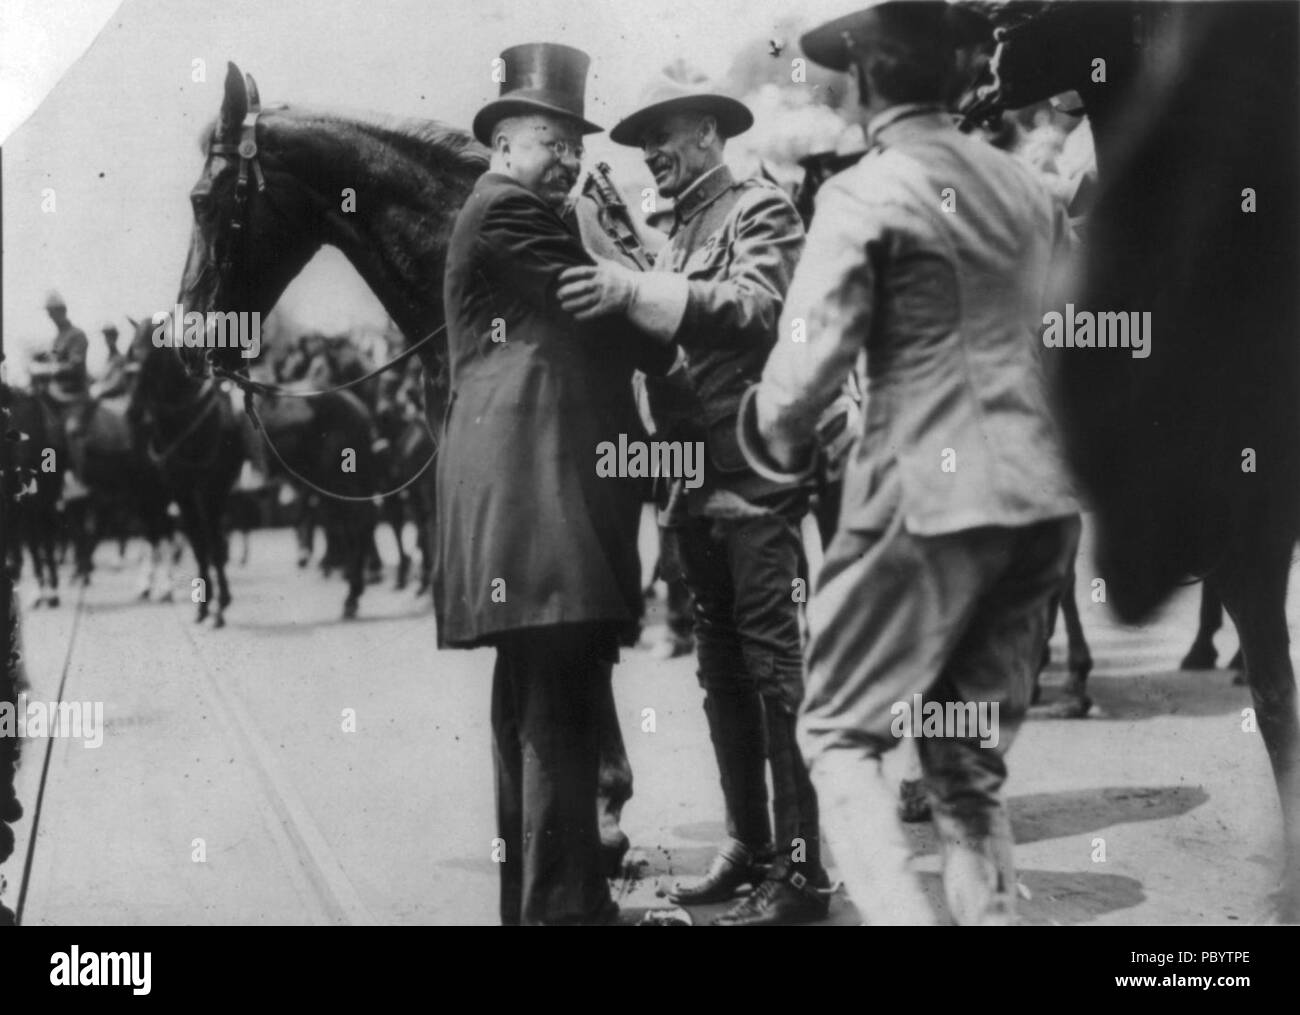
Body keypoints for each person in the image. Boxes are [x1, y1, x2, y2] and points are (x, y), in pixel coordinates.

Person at [738, 0, 1080, 925]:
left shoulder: (865, 192)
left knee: (839, 733)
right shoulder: (1027, 191)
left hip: (930, 494)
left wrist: (766, 434)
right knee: (963, 765)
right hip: (1041, 506)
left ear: (869, 79)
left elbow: (803, 371)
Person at [557, 70, 828, 925]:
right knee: (720, 672)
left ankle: (805, 874)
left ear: (710, 132)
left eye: (663, 136)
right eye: (640, 144)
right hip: (694, 482)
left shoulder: (760, 210)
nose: (650, 155)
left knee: (775, 668)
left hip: (754, 481)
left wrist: (637, 287)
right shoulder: (669, 237)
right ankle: (750, 845)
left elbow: (754, 309)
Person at [433, 42, 673, 925]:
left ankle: (548, 908)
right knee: (556, 711)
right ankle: (565, 916)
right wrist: (659, 302)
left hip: (532, 504)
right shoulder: (510, 211)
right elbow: (616, 320)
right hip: (538, 504)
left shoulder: (506, 208)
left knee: (540, 711)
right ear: (503, 144)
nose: (568, 159)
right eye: (549, 140)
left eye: (575, 144)